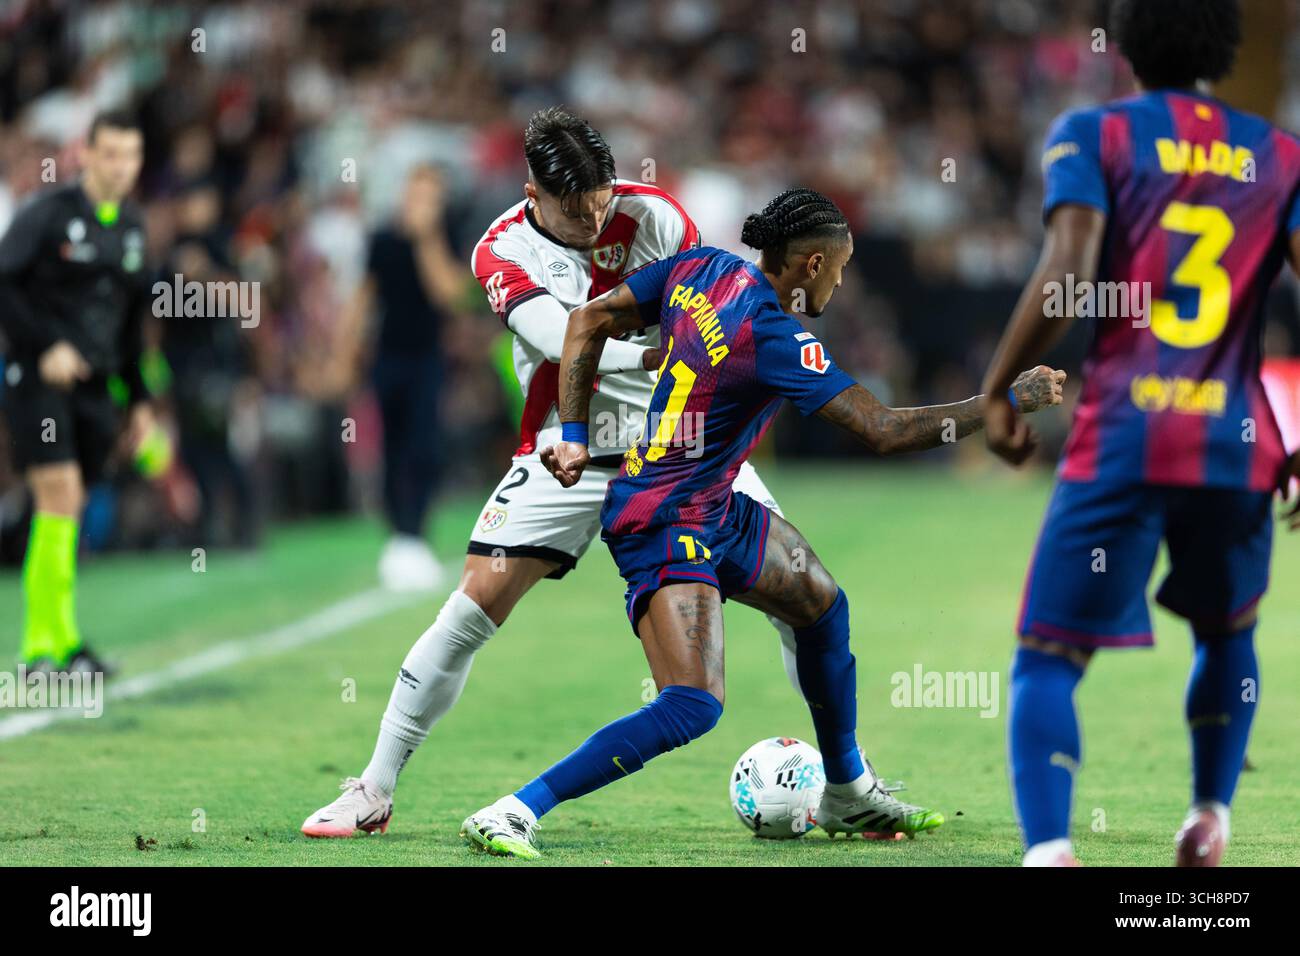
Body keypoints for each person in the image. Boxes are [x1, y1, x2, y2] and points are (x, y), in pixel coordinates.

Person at [301, 109, 933, 838]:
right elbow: (556, 333)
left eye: (603, 198)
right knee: (470, 610)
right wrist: (647, 362)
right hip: (568, 452)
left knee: (809, 596)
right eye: (576, 209)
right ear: (532, 192)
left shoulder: (656, 215)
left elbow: (713, 304)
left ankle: (851, 782)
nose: (595, 217)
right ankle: (372, 789)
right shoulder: (501, 248)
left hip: (682, 452)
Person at [460, 188, 1065, 858]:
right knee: (692, 704)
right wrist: (1006, 400)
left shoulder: (702, 269)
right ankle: (514, 809)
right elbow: (885, 431)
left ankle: (847, 792)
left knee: (821, 605)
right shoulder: (775, 336)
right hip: (660, 516)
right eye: (840, 265)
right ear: (811, 265)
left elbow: (588, 320)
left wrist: (574, 431)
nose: (842, 277)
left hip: (711, 502)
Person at [980, 0, 1300, 866]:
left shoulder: (1094, 135)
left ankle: (1052, 850)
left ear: (1121, 43)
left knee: (1049, 653)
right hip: (1237, 445)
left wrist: (997, 384)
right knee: (1229, 633)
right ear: (1225, 47)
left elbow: (1070, 271)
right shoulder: (1279, 154)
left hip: (1124, 436)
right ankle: (1209, 816)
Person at [0, 109, 154, 676]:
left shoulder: (134, 229)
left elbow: (133, 324)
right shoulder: (46, 216)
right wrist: (44, 345)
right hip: (36, 379)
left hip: (96, 389)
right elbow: (4, 282)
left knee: (71, 506)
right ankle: (38, 649)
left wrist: (139, 401)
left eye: (130, 156)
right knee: (58, 495)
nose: (120, 166)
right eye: (109, 153)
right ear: (84, 154)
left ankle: (64, 640)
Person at [343, 164, 463, 590]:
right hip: (387, 357)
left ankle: (416, 531)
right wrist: (344, 351)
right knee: (391, 449)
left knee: (424, 447)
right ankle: (400, 537)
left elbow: (447, 294)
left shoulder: (447, 236)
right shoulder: (381, 239)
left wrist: (426, 239)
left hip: (427, 358)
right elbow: (364, 295)